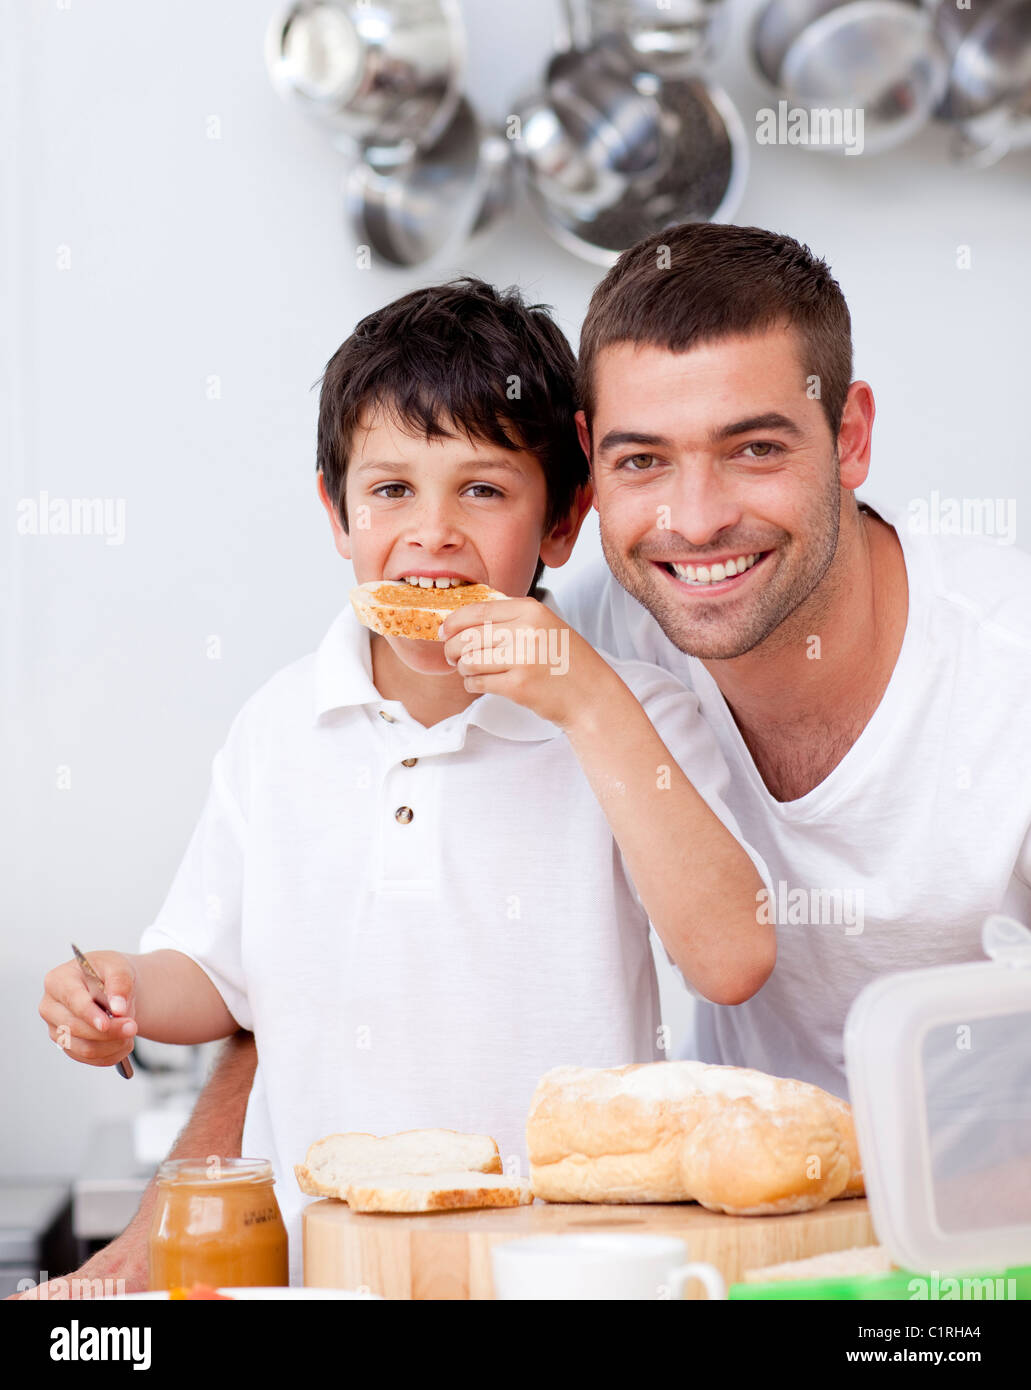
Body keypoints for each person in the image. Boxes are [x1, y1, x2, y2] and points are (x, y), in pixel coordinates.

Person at [34, 277, 774, 1290]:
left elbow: (731, 956)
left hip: (556, 1266)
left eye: (481, 489)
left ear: (562, 524)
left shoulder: (631, 714)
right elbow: (214, 973)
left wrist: (589, 704)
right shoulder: (278, 728)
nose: (431, 532)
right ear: (335, 514)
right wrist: (122, 988)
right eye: (390, 490)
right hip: (325, 1265)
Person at [559, 220, 1031, 1097]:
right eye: (642, 461)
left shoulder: (1009, 670)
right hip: (747, 1212)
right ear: (589, 462)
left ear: (848, 437)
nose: (694, 521)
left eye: (754, 449)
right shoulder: (588, 648)